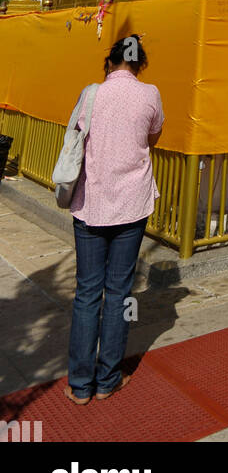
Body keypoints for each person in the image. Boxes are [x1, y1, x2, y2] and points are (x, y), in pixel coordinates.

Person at [65, 34, 164, 405]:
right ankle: (108, 379)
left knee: (87, 293)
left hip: (92, 203)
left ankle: (80, 386)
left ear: (109, 62)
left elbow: (75, 135)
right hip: (132, 205)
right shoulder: (151, 94)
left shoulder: (91, 94)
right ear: (140, 64)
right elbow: (153, 136)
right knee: (120, 292)